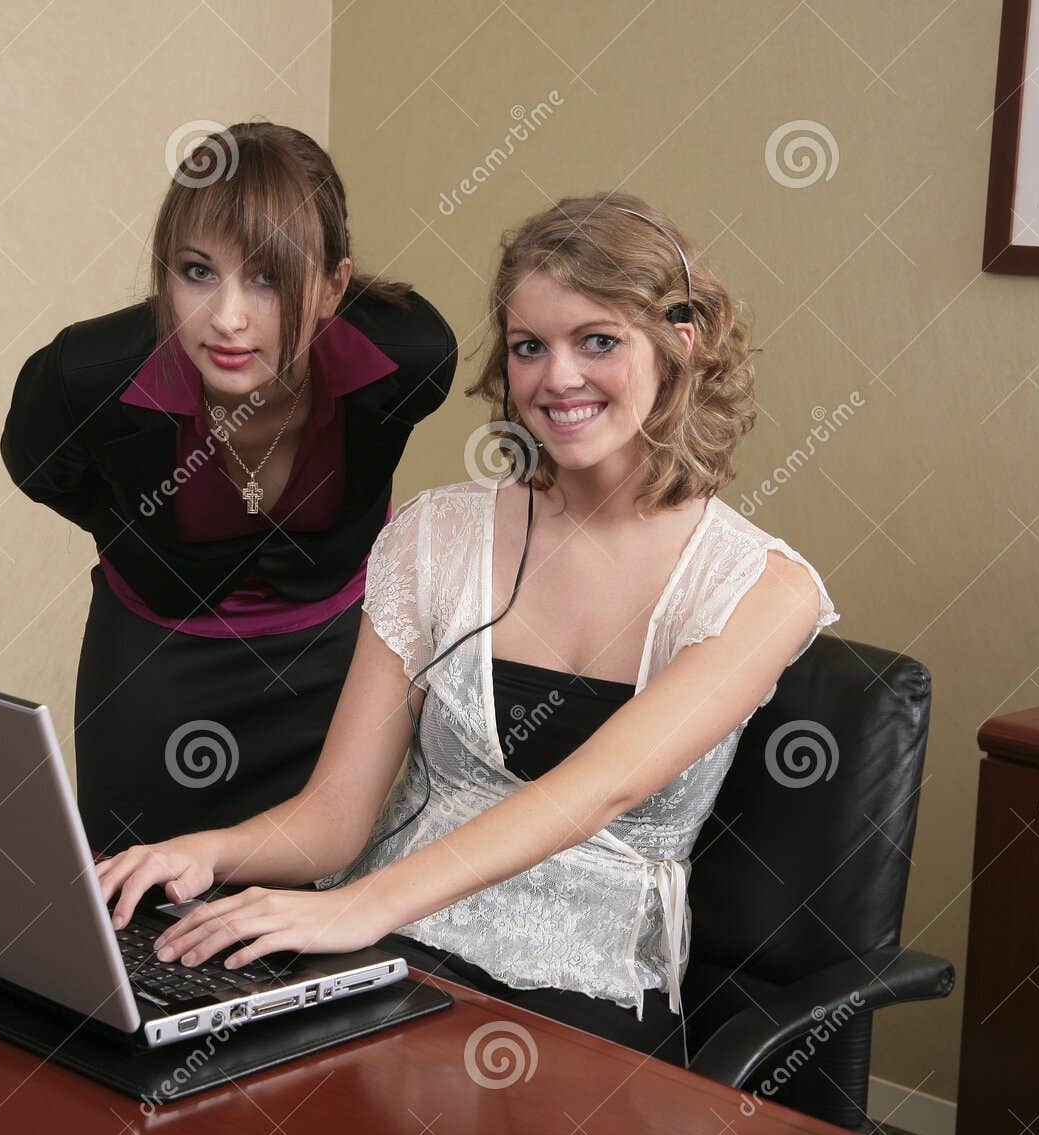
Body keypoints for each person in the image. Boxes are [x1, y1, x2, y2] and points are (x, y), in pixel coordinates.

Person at [92, 192, 840, 1066]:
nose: (557, 378)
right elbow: (335, 817)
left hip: (582, 989)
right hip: (388, 952)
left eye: (597, 339)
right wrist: (205, 852)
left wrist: (362, 907)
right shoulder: (434, 535)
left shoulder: (758, 588)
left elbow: (592, 790)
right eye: (529, 347)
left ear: (678, 343)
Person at [1, 122, 457, 857]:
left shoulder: (406, 355)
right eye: (198, 271)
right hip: (156, 668)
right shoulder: (86, 376)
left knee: (319, 907)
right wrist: (131, 526)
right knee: (135, 906)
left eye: (270, 276)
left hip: (333, 663)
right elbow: (38, 467)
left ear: (336, 284)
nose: (228, 318)